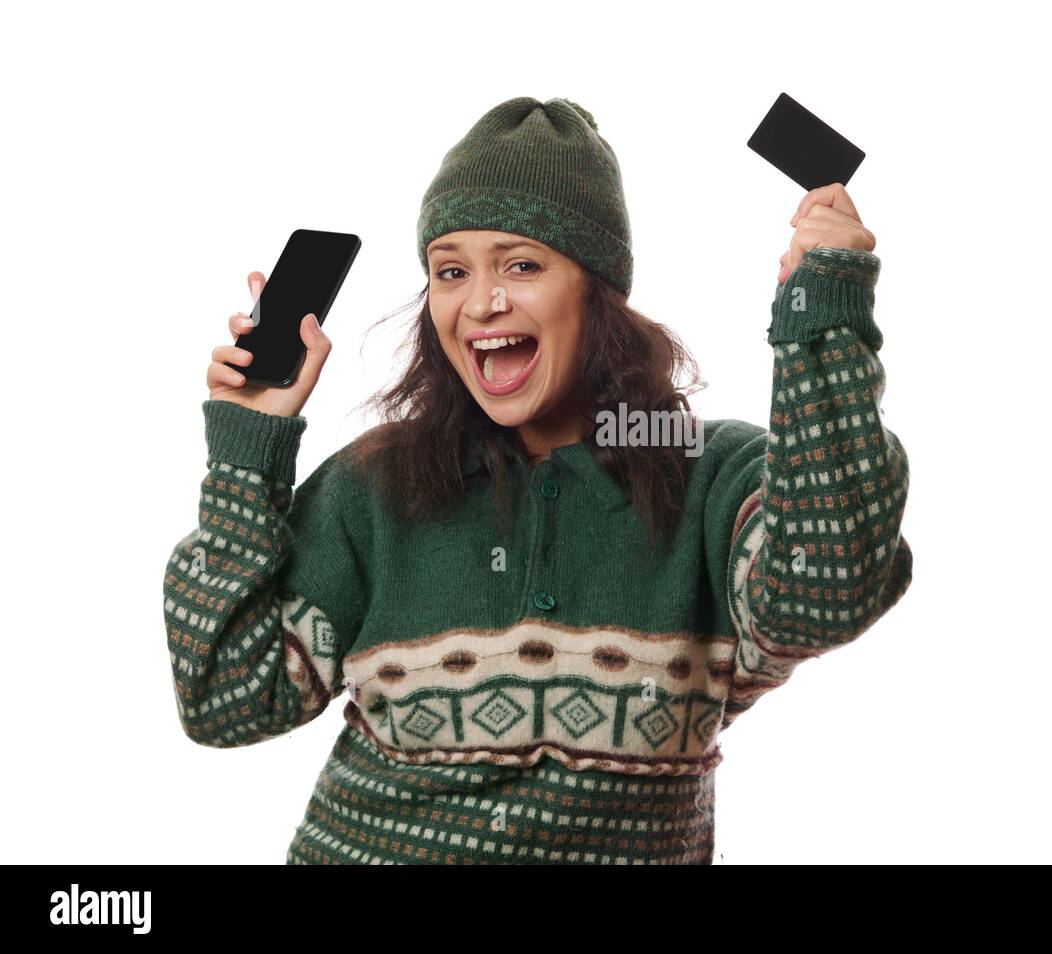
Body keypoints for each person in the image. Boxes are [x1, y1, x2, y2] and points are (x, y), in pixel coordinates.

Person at [162, 96, 913, 864]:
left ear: (597, 291)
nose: (483, 302)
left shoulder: (707, 475)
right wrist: (246, 452)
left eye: (522, 264)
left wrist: (823, 314)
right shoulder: (379, 486)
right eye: (450, 270)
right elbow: (227, 700)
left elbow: (826, 589)